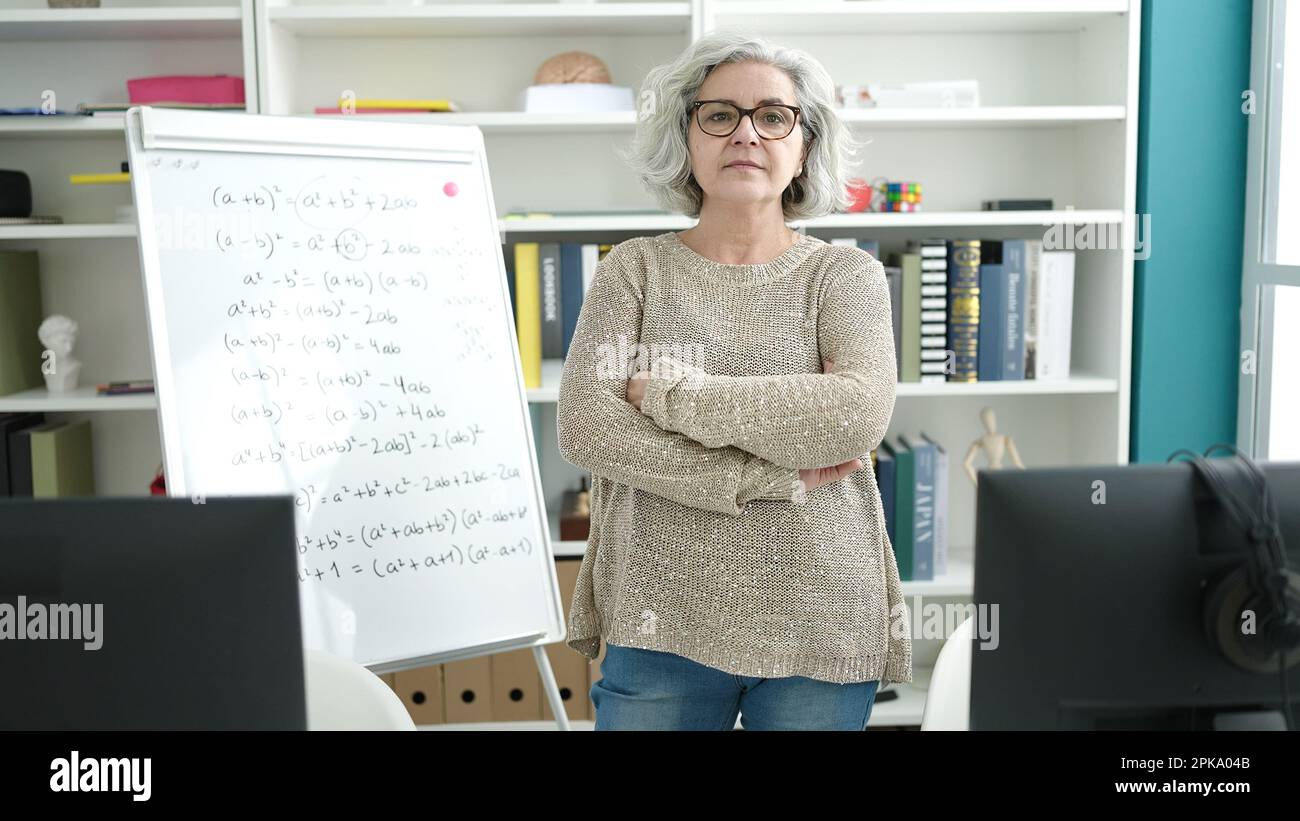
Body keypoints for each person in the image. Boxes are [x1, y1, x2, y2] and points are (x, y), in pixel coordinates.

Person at [557, 30, 911, 730]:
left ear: (804, 143)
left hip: (821, 615)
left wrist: (671, 393)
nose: (746, 133)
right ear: (685, 136)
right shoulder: (633, 270)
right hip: (660, 616)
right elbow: (589, 426)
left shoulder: (846, 276)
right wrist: (764, 475)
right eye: (719, 114)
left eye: (772, 116)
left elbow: (853, 415)